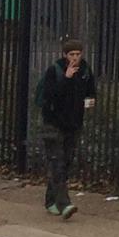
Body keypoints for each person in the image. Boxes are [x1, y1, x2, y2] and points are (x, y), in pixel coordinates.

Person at [34, 37, 95, 219]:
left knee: (65, 163)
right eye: (71, 54)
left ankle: (50, 201)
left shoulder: (85, 71)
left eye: (78, 54)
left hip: (73, 123)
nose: (75, 58)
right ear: (65, 55)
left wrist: (90, 100)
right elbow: (50, 96)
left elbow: (90, 91)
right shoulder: (55, 70)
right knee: (57, 163)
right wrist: (66, 79)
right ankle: (64, 204)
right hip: (53, 123)